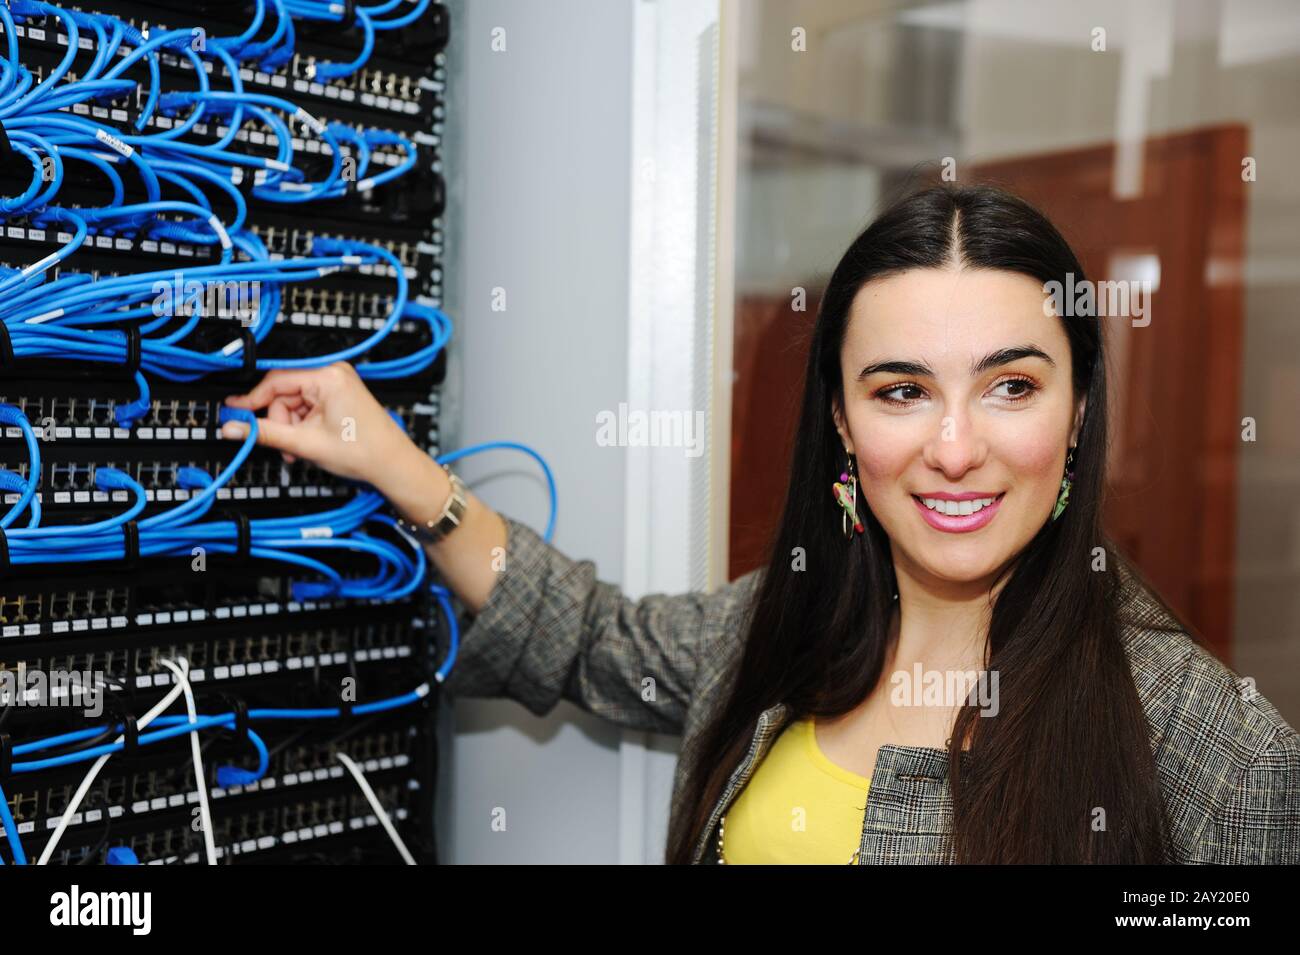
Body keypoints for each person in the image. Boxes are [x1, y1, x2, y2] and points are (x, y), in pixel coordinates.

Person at [220, 184, 1300, 865]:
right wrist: (392, 462)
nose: (957, 447)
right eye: (900, 391)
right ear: (841, 421)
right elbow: (587, 632)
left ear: (1078, 413)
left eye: (1011, 387)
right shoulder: (778, 633)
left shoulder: (1214, 748)